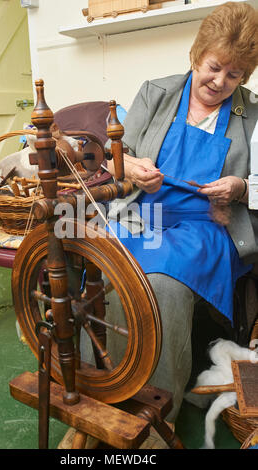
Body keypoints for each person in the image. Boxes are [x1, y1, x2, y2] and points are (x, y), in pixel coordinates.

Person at [106, 2, 258, 424]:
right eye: (214, 67)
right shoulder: (157, 92)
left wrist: (241, 186)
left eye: (235, 74)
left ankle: (154, 414)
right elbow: (116, 155)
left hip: (207, 226)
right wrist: (133, 169)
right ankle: (106, 389)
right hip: (144, 213)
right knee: (109, 264)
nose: (221, 81)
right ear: (195, 55)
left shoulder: (253, 113)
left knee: (159, 283)